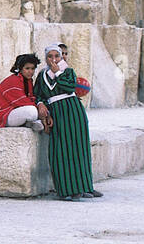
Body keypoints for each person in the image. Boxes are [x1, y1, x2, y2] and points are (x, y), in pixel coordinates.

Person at [35, 44, 101, 201]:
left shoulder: (68, 72)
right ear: (46, 58)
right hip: (57, 113)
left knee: (79, 149)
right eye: (50, 57)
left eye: (56, 56)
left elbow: (69, 86)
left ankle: (84, 187)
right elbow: (38, 93)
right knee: (61, 150)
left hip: (73, 111)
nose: (53, 60)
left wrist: (58, 72)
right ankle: (66, 189)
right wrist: (40, 104)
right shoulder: (42, 75)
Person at [0, 55, 49, 130]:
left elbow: (31, 98)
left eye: (32, 68)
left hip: (15, 112)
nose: (30, 71)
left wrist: (40, 105)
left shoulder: (28, 81)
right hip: (3, 115)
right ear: (20, 69)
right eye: (27, 68)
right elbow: (22, 102)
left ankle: (29, 123)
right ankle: (32, 122)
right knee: (32, 111)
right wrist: (41, 111)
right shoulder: (13, 80)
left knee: (42, 110)